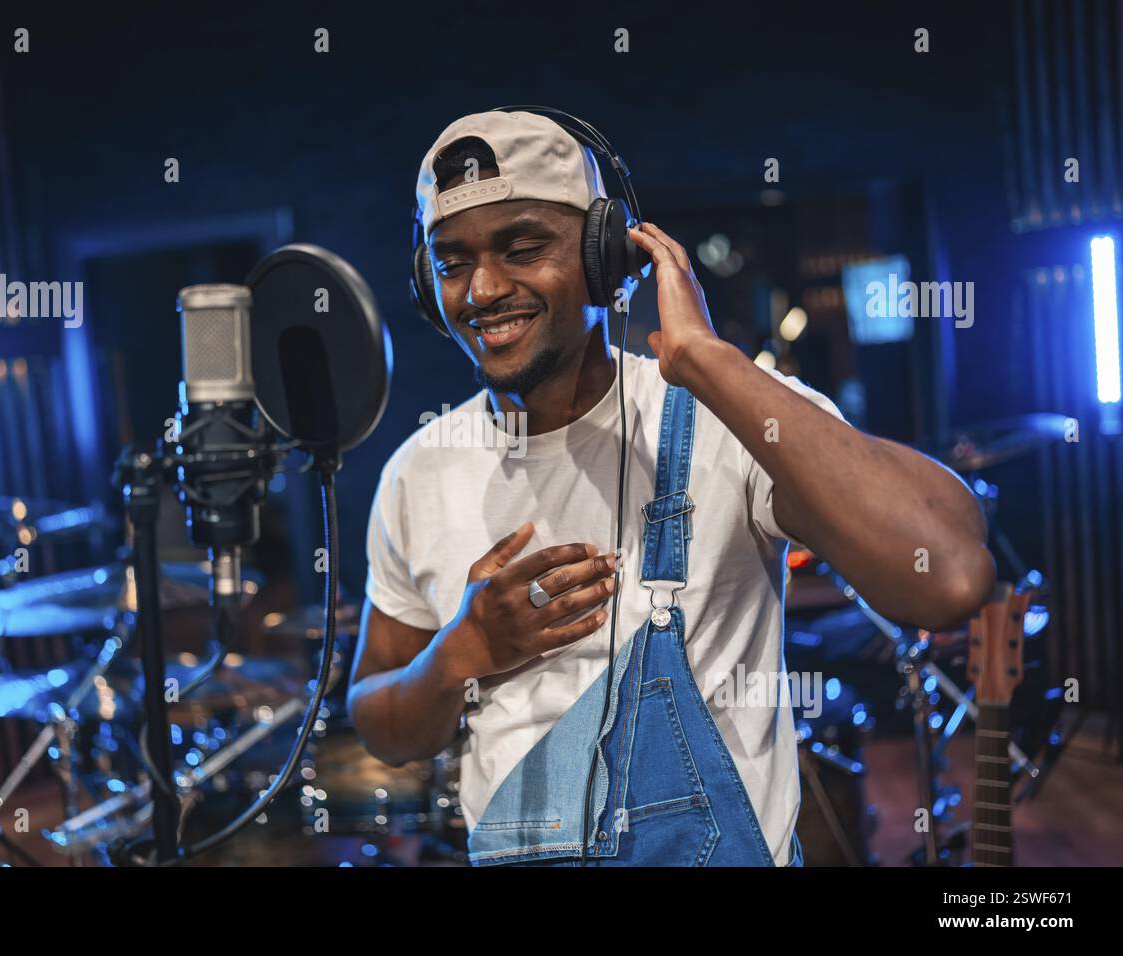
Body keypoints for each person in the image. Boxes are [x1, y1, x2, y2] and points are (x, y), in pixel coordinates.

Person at [347, 109, 994, 866]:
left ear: (602, 256)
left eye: (523, 248)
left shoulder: (727, 420)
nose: (484, 289)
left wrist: (711, 362)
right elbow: (381, 725)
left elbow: (947, 576)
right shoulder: (417, 472)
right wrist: (460, 653)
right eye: (451, 262)